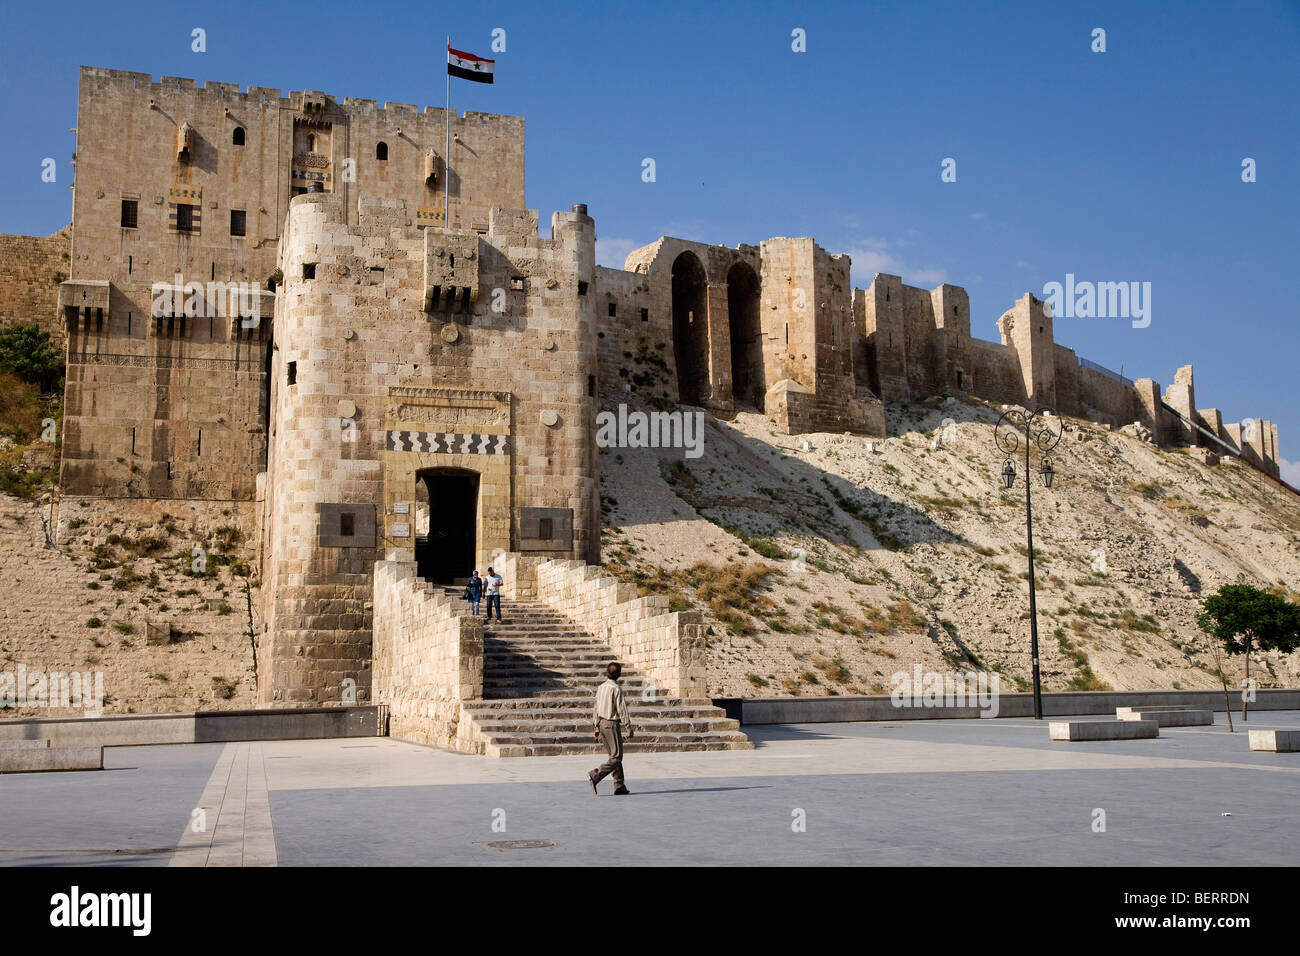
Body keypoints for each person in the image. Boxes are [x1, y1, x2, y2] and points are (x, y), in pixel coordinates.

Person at [588, 662, 634, 795]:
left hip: (602, 723)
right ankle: (595, 775)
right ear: (619, 674)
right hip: (612, 724)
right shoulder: (616, 689)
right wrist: (628, 726)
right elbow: (622, 709)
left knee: (613, 756)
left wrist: (596, 725)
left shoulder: (601, 687)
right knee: (617, 757)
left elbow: (596, 707)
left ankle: (619, 785)